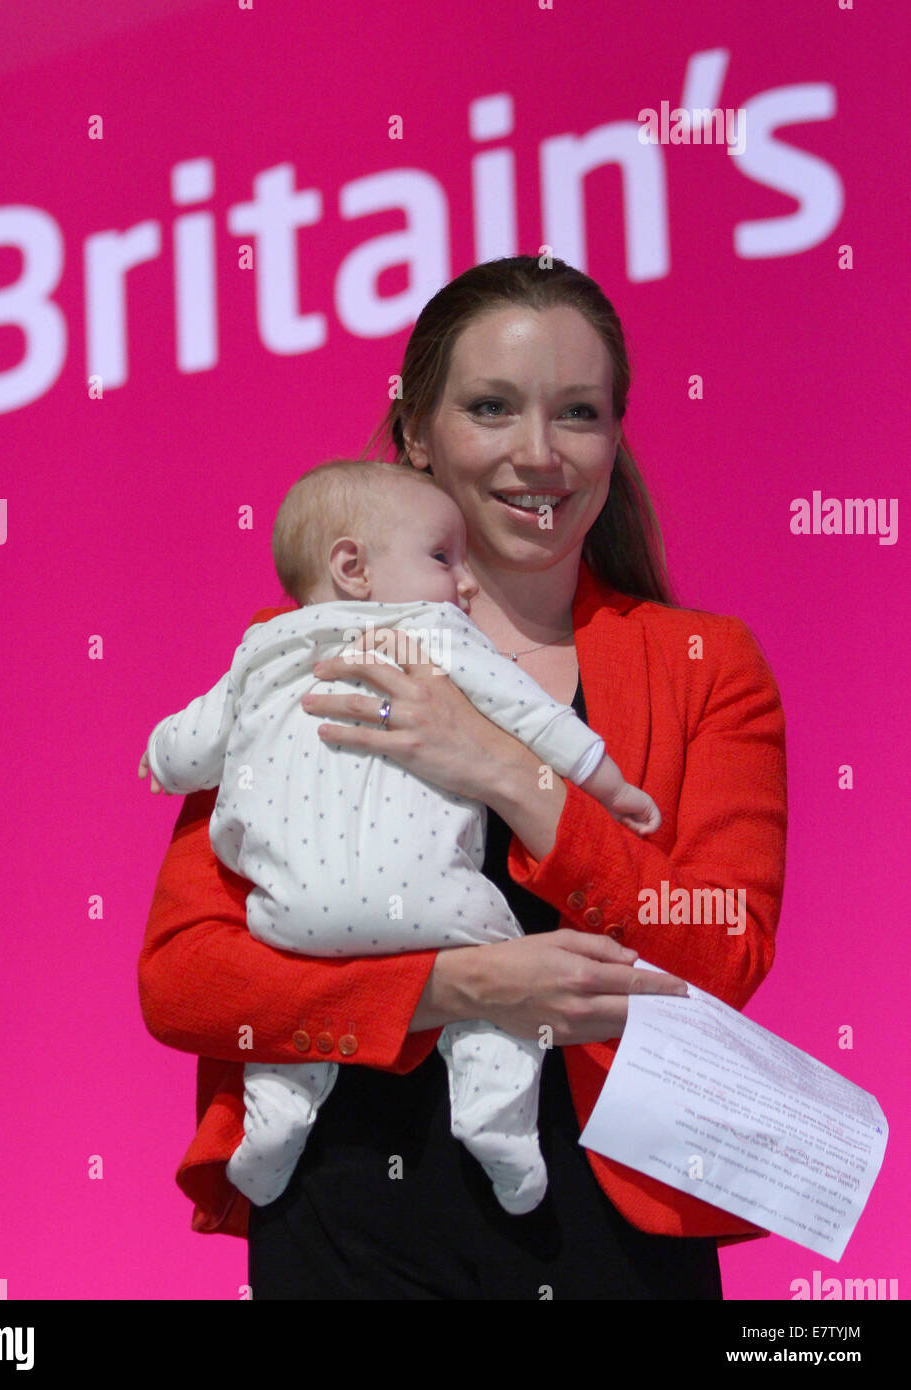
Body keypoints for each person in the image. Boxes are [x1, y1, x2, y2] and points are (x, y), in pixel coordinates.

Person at [137, 254, 787, 1300]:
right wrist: (459, 987)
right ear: (414, 438)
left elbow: (720, 949)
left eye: (576, 413)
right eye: (490, 407)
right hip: (346, 1220)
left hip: (614, 1233)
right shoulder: (300, 646)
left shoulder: (701, 662)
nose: (538, 454)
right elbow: (184, 979)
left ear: (613, 440)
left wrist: (505, 770)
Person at [140, 458, 663, 1217]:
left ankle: (273, 1123)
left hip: (288, 911)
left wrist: (155, 758)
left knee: (284, 998)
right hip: (426, 905)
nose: (466, 583)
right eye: (442, 558)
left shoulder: (267, 649)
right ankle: (496, 1119)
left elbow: (192, 742)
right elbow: (532, 717)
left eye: (581, 412)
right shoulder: (433, 632)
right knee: (503, 958)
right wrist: (606, 784)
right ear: (353, 567)